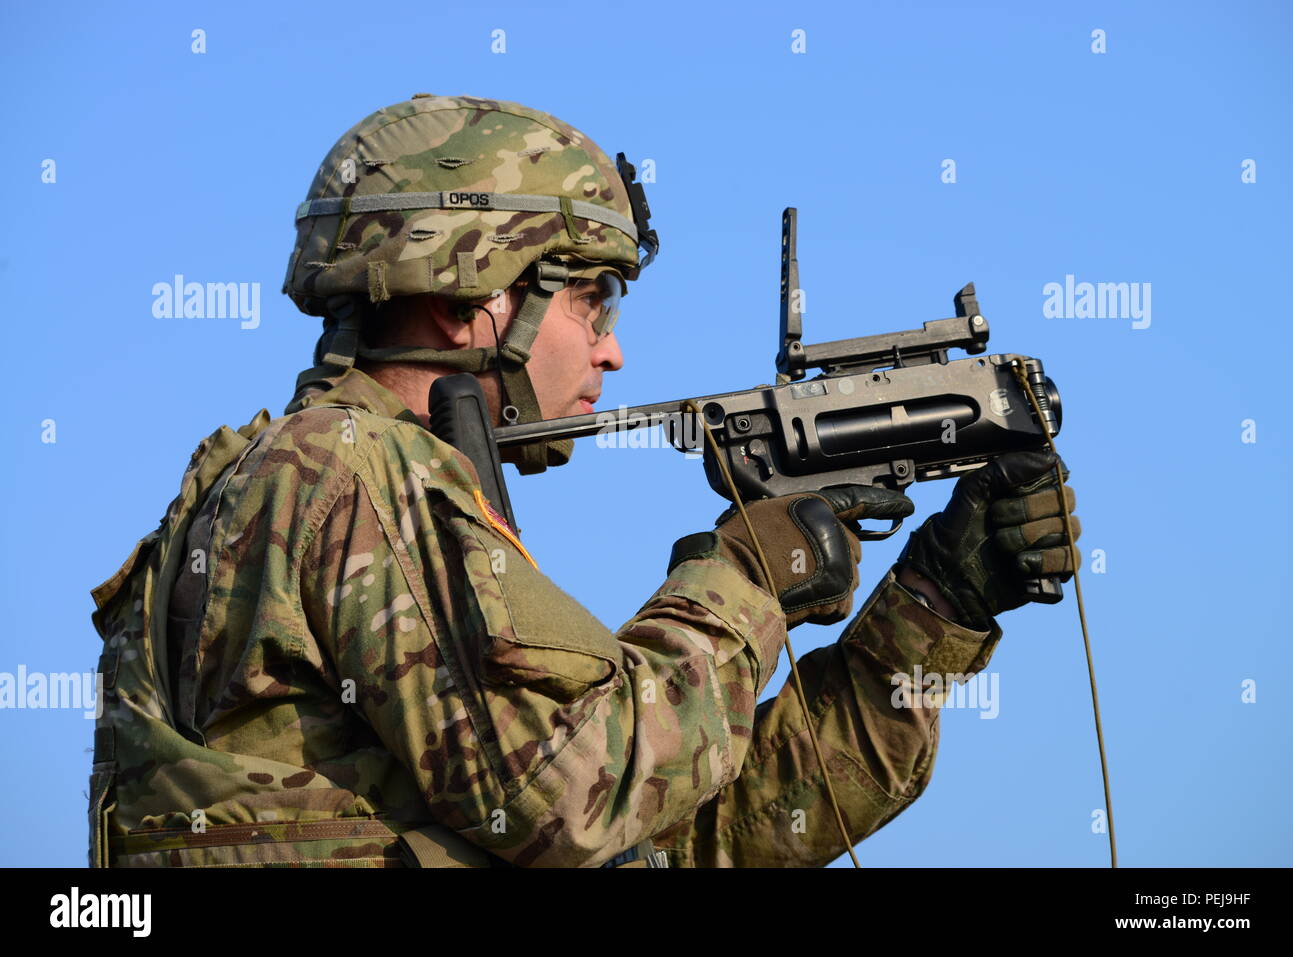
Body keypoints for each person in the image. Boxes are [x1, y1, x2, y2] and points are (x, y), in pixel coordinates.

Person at [87, 94, 1081, 868]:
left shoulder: (338, 485)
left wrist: (937, 603)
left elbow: (696, 841)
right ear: (470, 296)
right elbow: (573, 801)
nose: (611, 356)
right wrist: (746, 577)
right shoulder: (345, 473)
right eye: (591, 305)